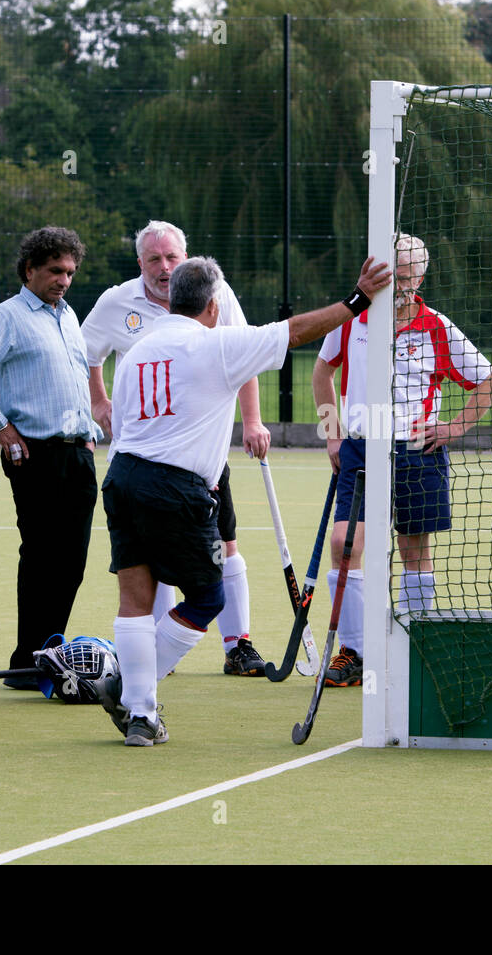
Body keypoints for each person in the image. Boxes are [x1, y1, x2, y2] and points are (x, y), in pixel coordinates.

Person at [100, 254, 393, 745]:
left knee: (135, 600)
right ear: (213, 305)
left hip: (121, 477)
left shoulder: (137, 352)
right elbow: (295, 330)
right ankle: (132, 697)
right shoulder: (217, 344)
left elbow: (125, 426)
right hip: (173, 487)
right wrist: (356, 300)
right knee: (208, 597)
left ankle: (140, 714)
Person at [311, 234, 492, 687]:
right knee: (345, 545)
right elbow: (323, 371)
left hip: (417, 452)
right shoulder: (352, 316)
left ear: (421, 275)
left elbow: (490, 381)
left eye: (408, 273)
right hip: (360, 448)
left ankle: (415, 645)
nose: (401, 283)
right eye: (393, 272)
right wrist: (331, 433)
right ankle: (354, 653)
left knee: (415, 550)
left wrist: (454, 427)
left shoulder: (436, 326)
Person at [81, 221, 270, 675]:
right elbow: (85, 352)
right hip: (141, 455)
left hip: (199, 459)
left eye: (172, 258)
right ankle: (157, 652)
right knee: (147, 557)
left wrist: (253, 421)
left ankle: (238, 644)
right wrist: (98, 401)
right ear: (140, 263)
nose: (165, 268)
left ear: (186, 258)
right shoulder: (116, 302)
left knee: (225, 544)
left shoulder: (215, 293)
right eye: (154, 260)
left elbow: (244, 358)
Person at [0, 227, 100, 684]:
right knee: (44, 556)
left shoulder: (68, 317)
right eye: (54, 270)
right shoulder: (5, 318)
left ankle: (48, 650)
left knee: (73, 560)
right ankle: (28, 660)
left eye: (69, 271)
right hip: (34, 454)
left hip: (78, 455)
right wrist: (1, 427)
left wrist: (88, 435)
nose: (64, 279)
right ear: (30, 270)